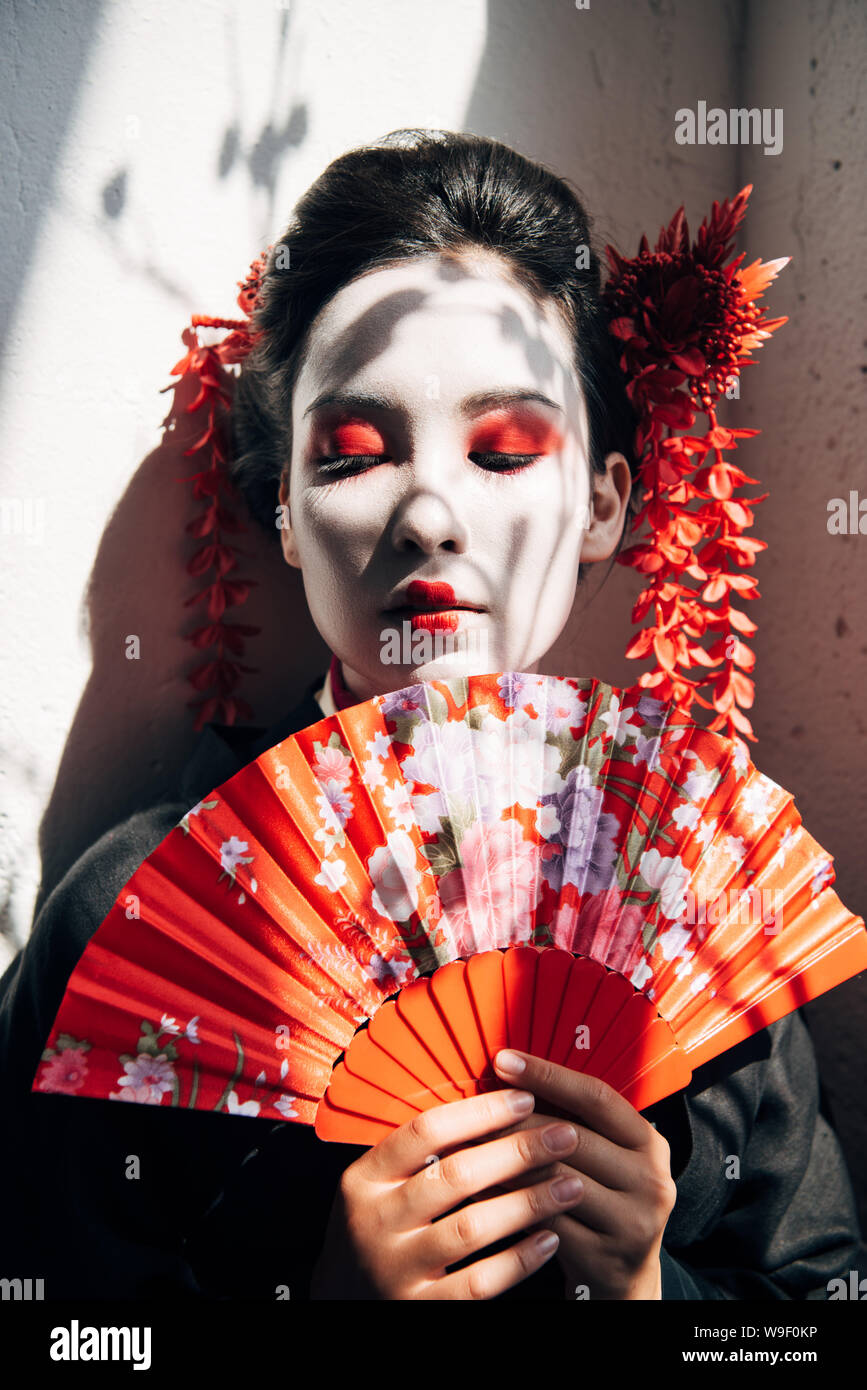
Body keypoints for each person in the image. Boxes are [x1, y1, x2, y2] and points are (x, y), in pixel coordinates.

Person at [0, 129, 861, 1300]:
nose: (430, 514)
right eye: (354, 454)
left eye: (504, 450)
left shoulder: (696, 899)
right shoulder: (131, 919)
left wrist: (661, 1293)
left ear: (604, 503)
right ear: (288, 514)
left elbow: (816, 1299)